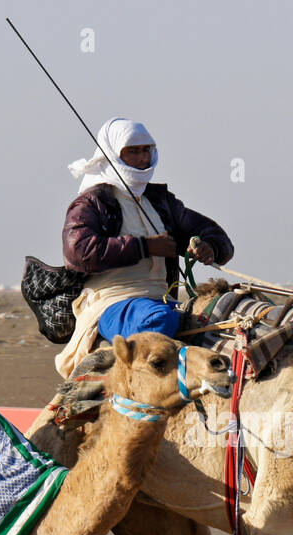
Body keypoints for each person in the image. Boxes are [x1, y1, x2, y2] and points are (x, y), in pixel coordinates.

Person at [56, 117, 234, 377]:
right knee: (157, 321)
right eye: (132, 151)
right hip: (112, 301)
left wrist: (210, 247)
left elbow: (215, 233)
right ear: (113, 155)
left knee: (230, 317)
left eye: (145, 150)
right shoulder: (91, 203)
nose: (142, 158)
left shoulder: (160, 202)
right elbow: (78, 252)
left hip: (163, 299)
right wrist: (145, 247)